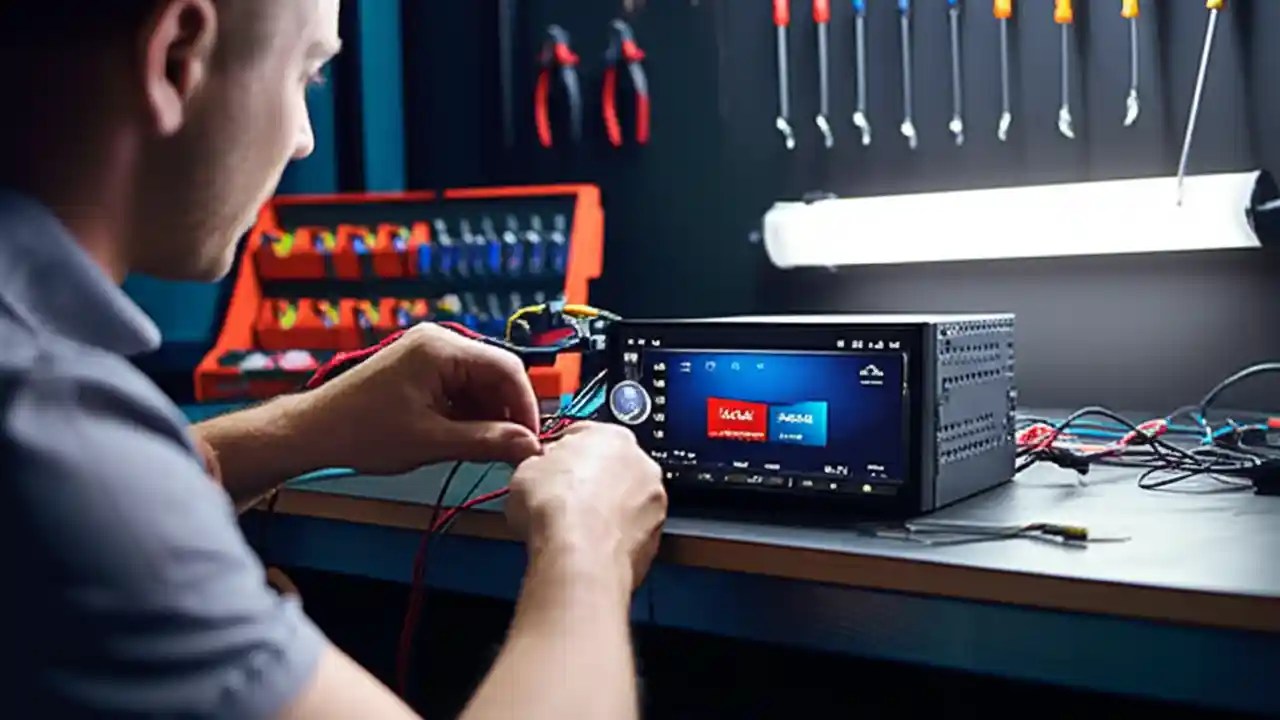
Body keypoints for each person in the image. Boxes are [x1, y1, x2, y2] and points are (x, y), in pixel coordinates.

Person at [0, 1, 667, 718]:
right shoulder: (53, 429)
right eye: (307, 78)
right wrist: (587, 547)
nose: (305, 142)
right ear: (176, 59)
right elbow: (88, 488)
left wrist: (306, 429)